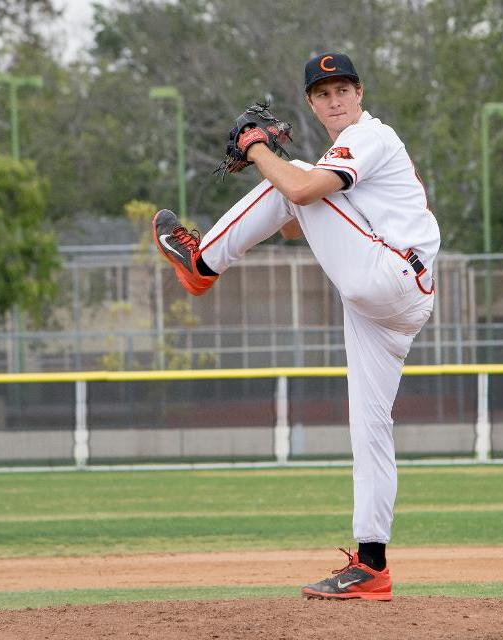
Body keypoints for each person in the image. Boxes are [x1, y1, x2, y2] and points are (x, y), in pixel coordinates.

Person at [152, 52, 439, 601]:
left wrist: (259, 150)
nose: (335, 100)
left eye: (343, 90)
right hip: (392, 298)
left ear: (360, 93)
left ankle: (202, 263)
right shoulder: (341, 155)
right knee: (370, 430)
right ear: (311, 102)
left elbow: (301, 193)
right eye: (323, 94)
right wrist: (280, 171)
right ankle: (372, 566)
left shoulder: (371, 136)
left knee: (290, 181)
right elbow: (294, 219)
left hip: (391, 274)